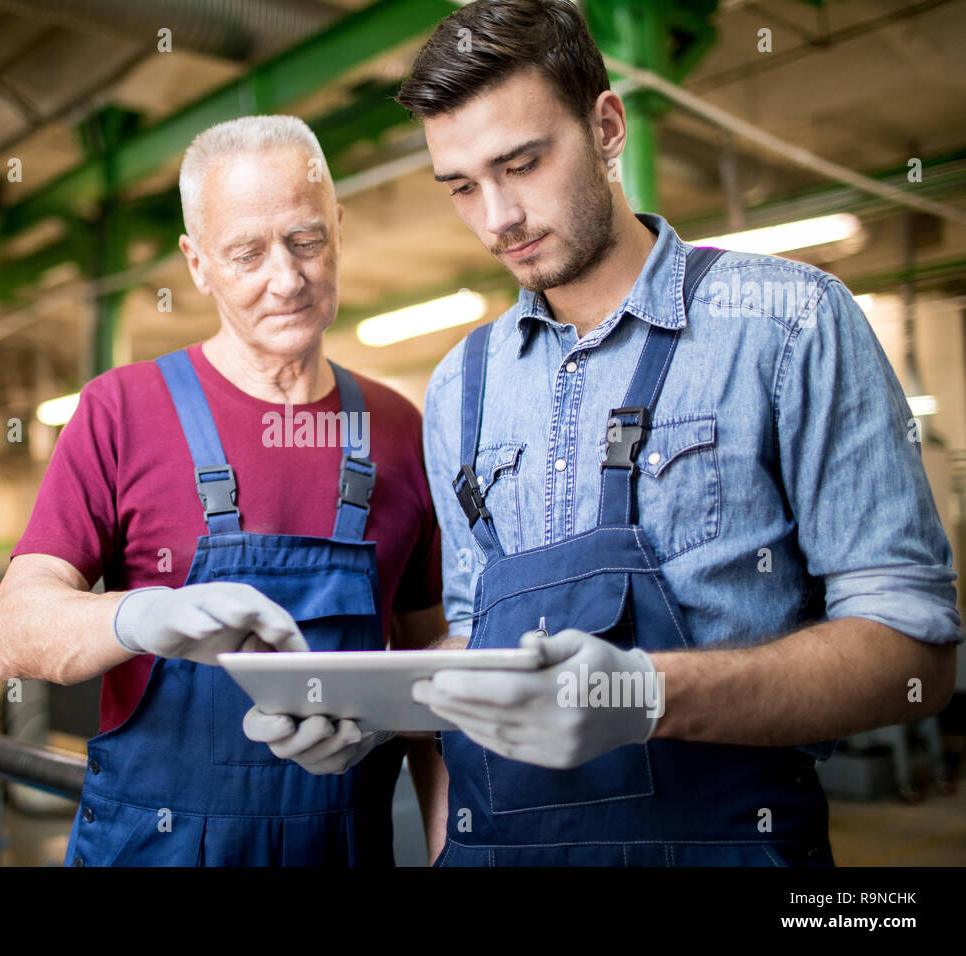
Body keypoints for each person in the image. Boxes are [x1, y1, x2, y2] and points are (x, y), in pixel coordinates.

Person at [397, 0, 961, 865]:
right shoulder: (459, 389)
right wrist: (375, 711)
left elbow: (912, 654)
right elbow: (477, 632)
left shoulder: (787, 325)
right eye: (463, 186)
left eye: (522, 163)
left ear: (608, 125)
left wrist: (648, 695)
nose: (498, 217)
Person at [0, 115, 447, 866]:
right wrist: (145, 616)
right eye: (246, 254)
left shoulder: (398, 429)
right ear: (196, 264)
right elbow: (10, 634)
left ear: (339, 225)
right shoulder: (122, 411)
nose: (287, 278)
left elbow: (434, 672)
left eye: (306, 240)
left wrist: (444, 853)